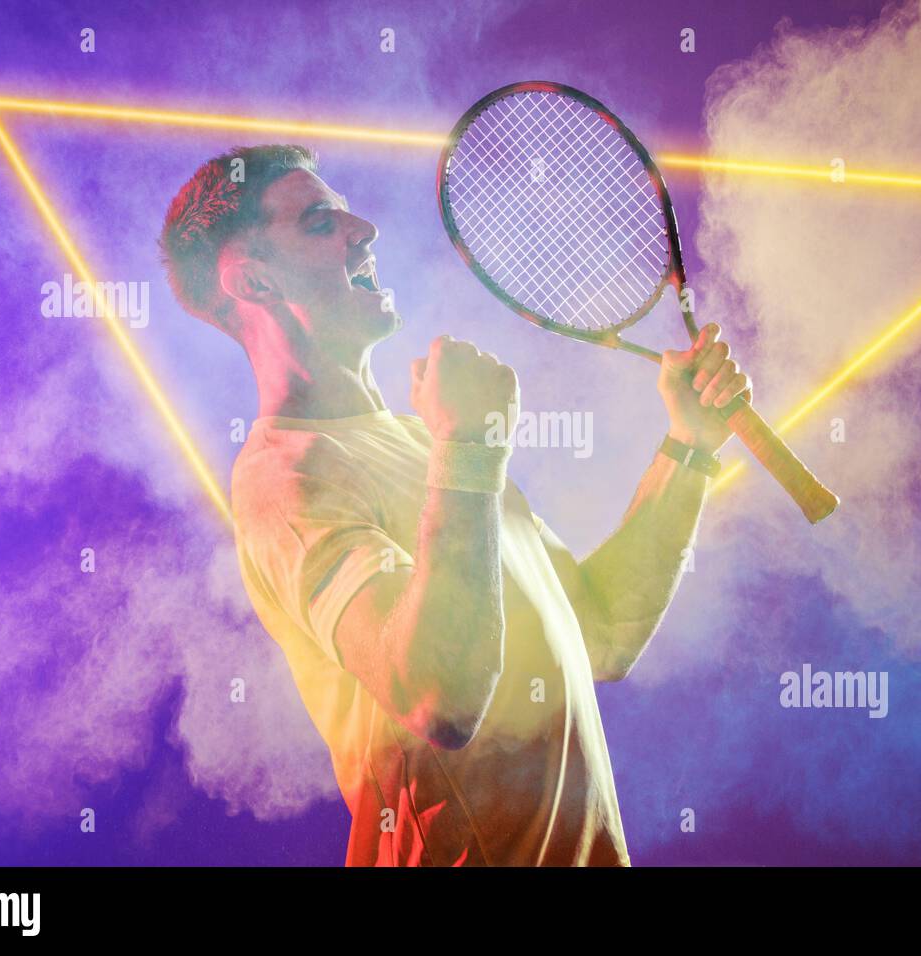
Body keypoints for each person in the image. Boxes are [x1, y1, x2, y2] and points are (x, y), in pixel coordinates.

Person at [158, 144, 751, 866]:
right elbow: (439, 697)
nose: (362, 230)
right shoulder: (284, 479)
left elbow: (602, 632)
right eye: (319, 222)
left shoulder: (424, 442)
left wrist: (688, 448)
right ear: (252, 278)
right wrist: (469, 446)